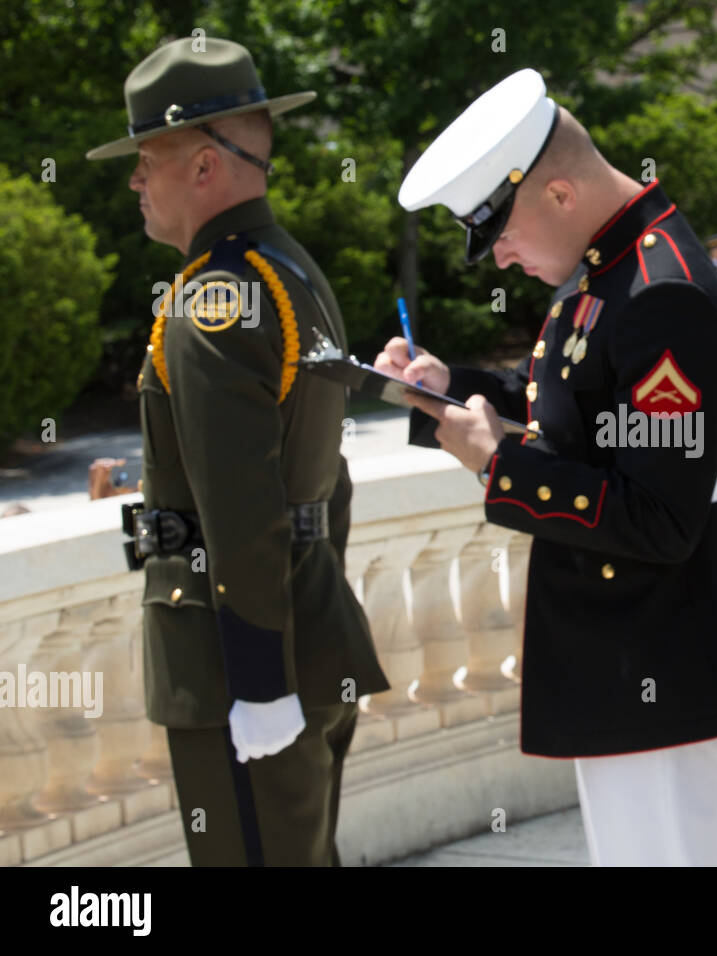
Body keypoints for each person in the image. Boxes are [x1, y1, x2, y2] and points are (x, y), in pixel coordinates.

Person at [377, 69, 717, 866]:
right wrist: (453, 391)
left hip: (658, 652)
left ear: (557, 193)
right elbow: (572, 408)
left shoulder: (661, 293)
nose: (499, 259)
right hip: (624, 649)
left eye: (500, 233)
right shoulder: (606, 268)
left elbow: (660, 516)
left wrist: (499, 465)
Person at [87, 37, 388, 866]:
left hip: (237, 667)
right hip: (309, 629)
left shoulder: (213, 300)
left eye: (149, 159)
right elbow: (328, 484)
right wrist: (309, 603)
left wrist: (259, 679)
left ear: (208, 167)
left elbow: (241, 508)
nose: (135, 181)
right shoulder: (291, 271)